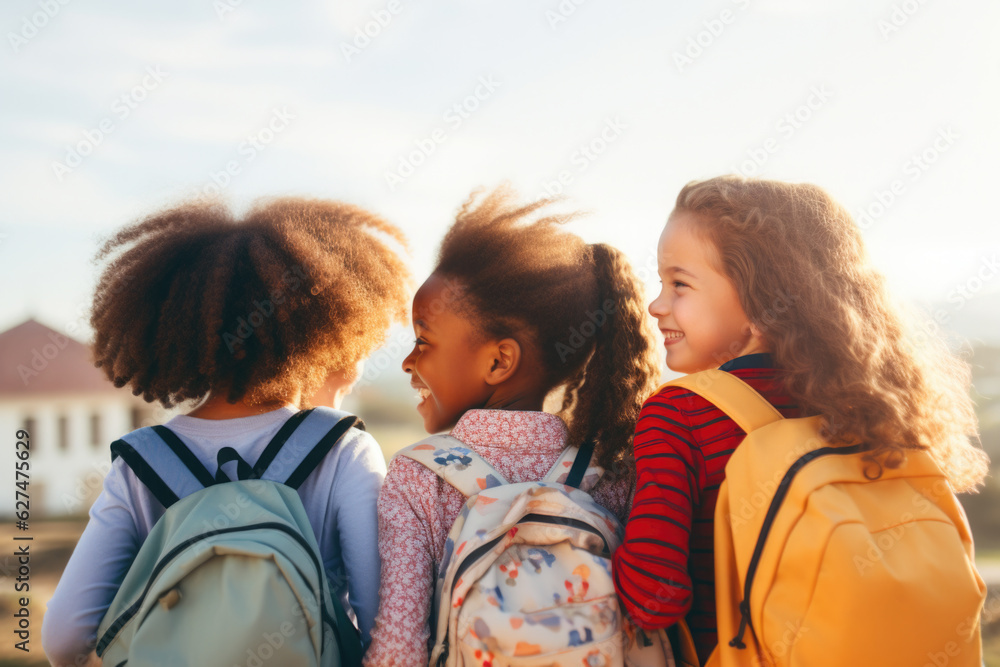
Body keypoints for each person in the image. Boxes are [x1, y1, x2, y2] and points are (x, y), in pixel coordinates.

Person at [612, 175, 990, 664]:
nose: (656, 304)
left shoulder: (680, 412)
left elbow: (653, 597)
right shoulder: (872, 407)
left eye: (679, 284)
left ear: (761, 300)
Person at [41, 197, 411, 667]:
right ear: (325, 333)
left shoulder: (139, 462)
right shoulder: (344, 450)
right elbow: (385, 623)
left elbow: (63, 637)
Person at [363, 186, 661, 667]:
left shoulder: (418, 478)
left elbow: (399, 649)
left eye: (423, 340)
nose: (406, 362)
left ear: (500, 361)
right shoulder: (614, 472)